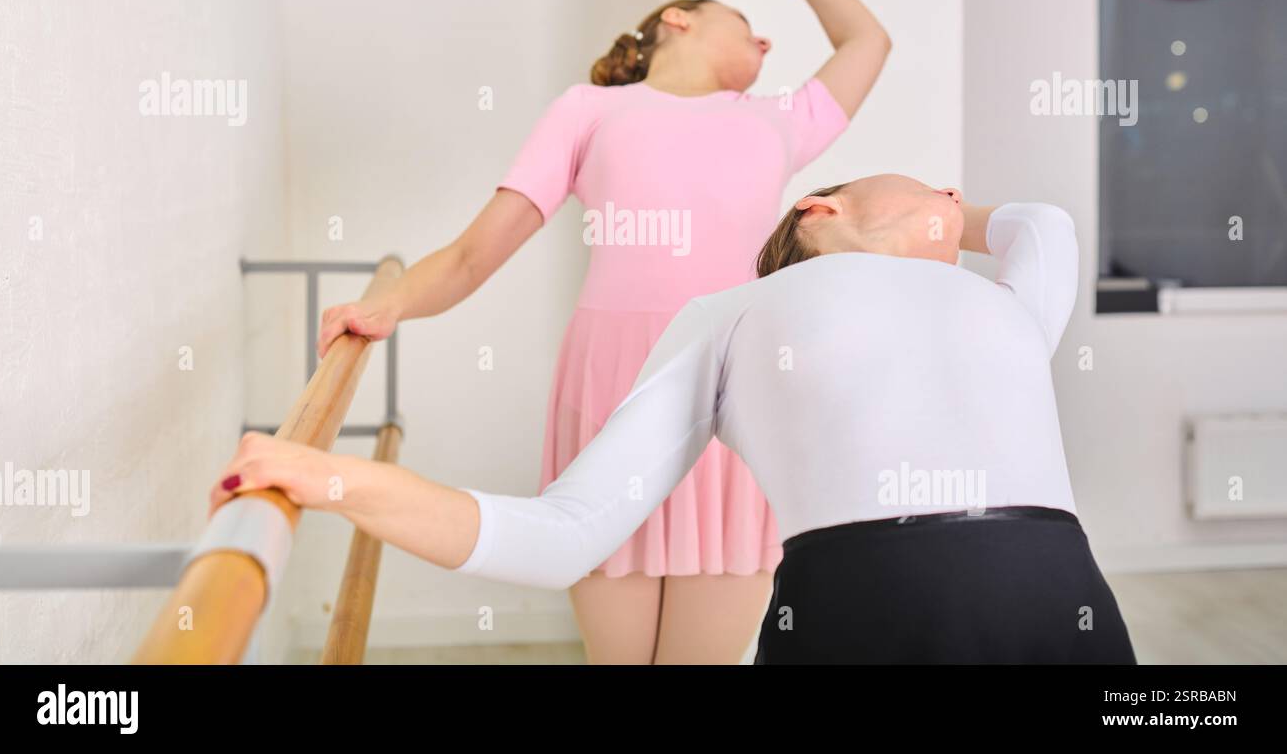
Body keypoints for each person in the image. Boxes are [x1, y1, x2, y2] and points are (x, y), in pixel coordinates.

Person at [212, 174, 1137, 664]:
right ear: (821, 205)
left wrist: (929, 217)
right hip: (868, 603)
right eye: (931, 179)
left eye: (956, 190)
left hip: (1056, 595)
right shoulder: (732, 311)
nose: (952, 189)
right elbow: (566, 534)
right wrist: (339, 479)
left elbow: (1042, 225)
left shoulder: (1007, 308)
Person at [306, 0, 892, 663]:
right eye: (746, 25)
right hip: (613, 393)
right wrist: (389, 306)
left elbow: (867, 40)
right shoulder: (590, 110)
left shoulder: (777, 119)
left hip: (735, 402)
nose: (766, 44)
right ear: (677, 20)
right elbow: (471, 254)